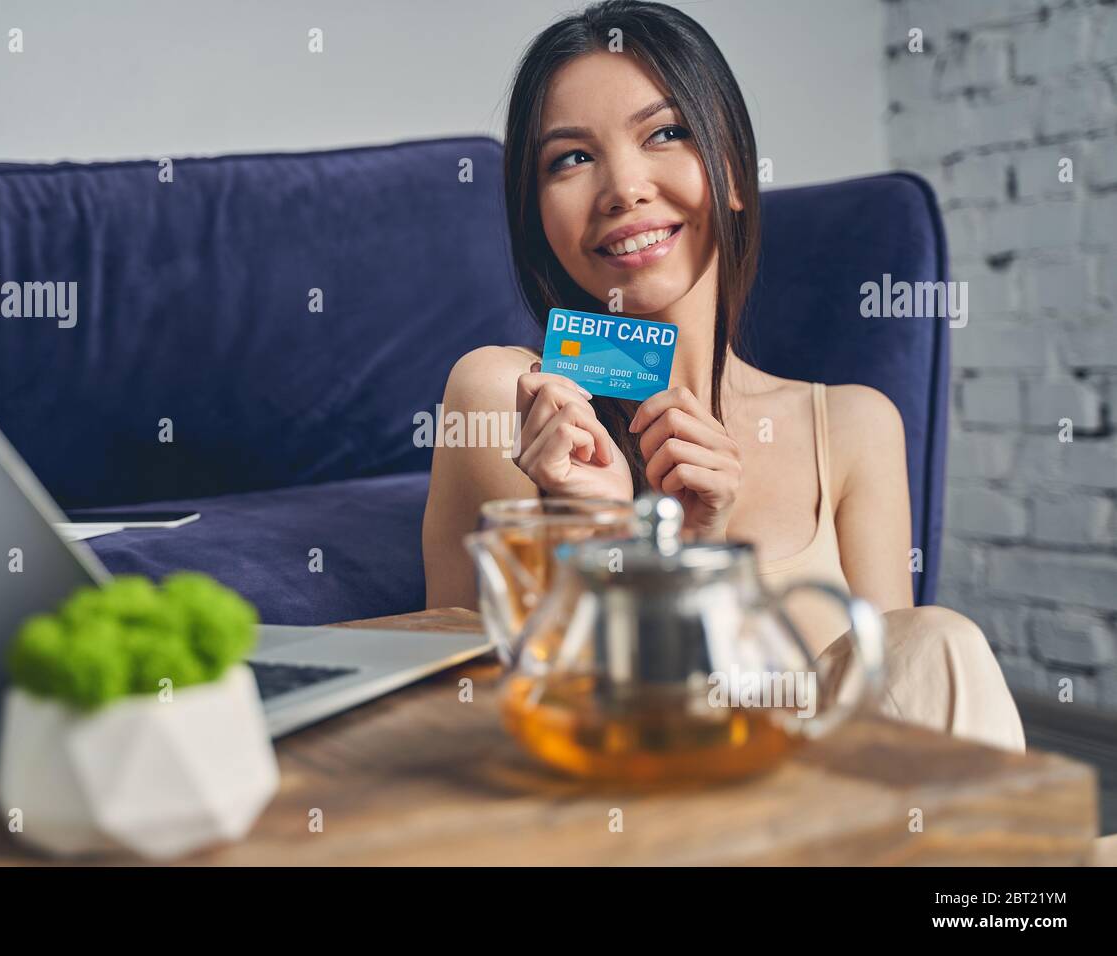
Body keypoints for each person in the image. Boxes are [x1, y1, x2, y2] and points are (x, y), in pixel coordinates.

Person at [421, 0, 1025, 752]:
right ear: (536, 217)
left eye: (665, 133)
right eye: (570, 158)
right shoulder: (509, 397)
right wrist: (625, 543)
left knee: (937, 642)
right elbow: (480, 720)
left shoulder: (854, 425)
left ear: (736, 173)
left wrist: (707, 545)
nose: (623, 187)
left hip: (855, 819)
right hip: (627, 815)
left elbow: (906, 704)